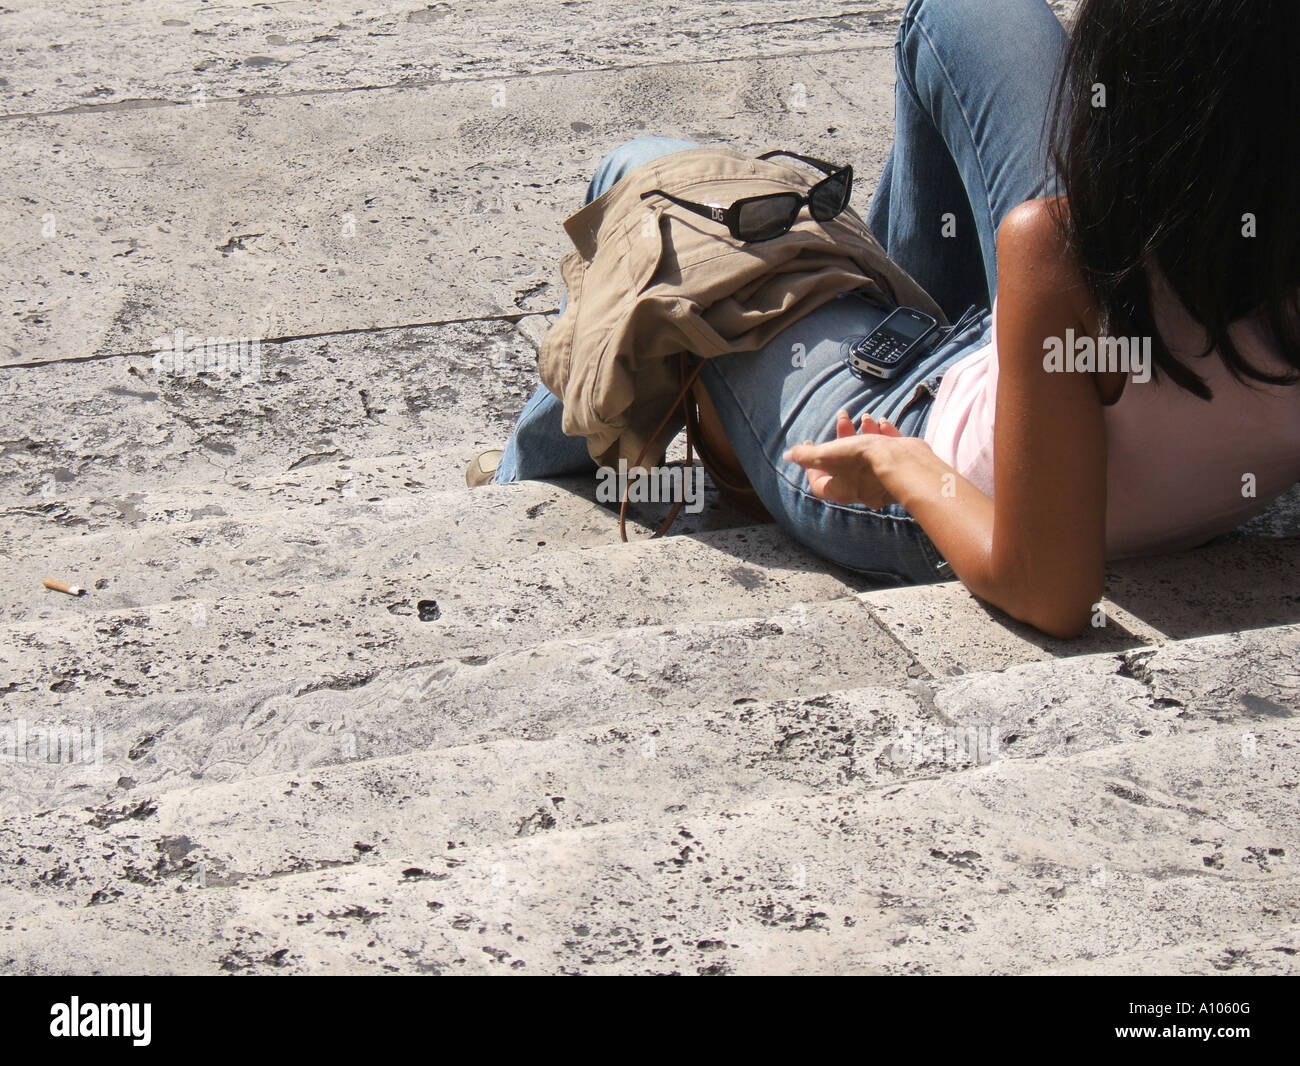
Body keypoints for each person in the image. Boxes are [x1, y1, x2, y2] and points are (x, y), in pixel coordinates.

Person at [476, 0, 1300, 638]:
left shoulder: (1061, 248)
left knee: (644, 173)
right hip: (1041, 375)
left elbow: (1050, 592)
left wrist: (904, 466)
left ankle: (528, 484)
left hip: (916, 478)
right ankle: (896, 304)